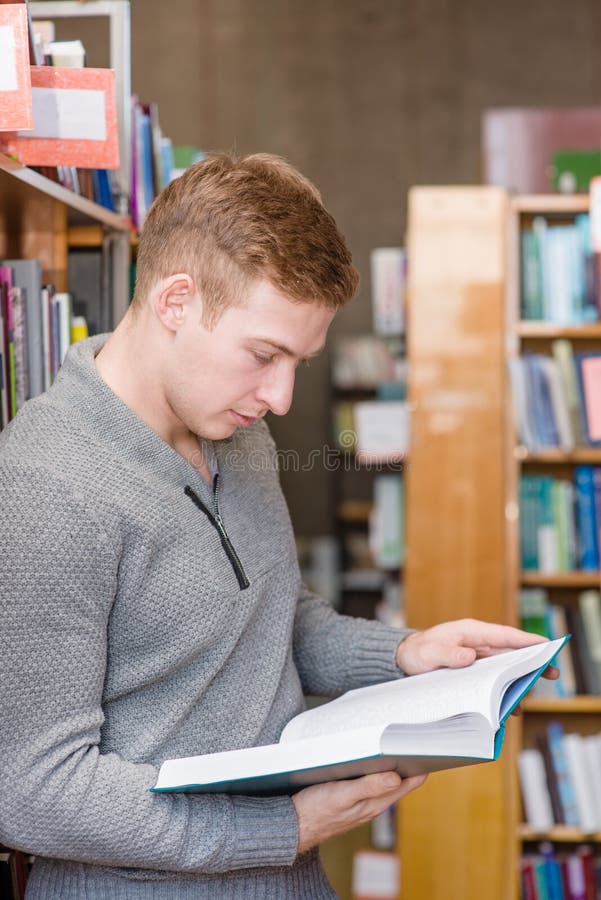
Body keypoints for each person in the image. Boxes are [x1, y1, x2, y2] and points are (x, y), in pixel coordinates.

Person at [0, 153, 555, 900]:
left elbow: (272, 621)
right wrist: (277, 832)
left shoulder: (239, 431)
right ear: (175, 302)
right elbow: (34, 789)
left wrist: (407, 653)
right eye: (264, 355)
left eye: (299, 360)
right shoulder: (44, 484)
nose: (282, 396)